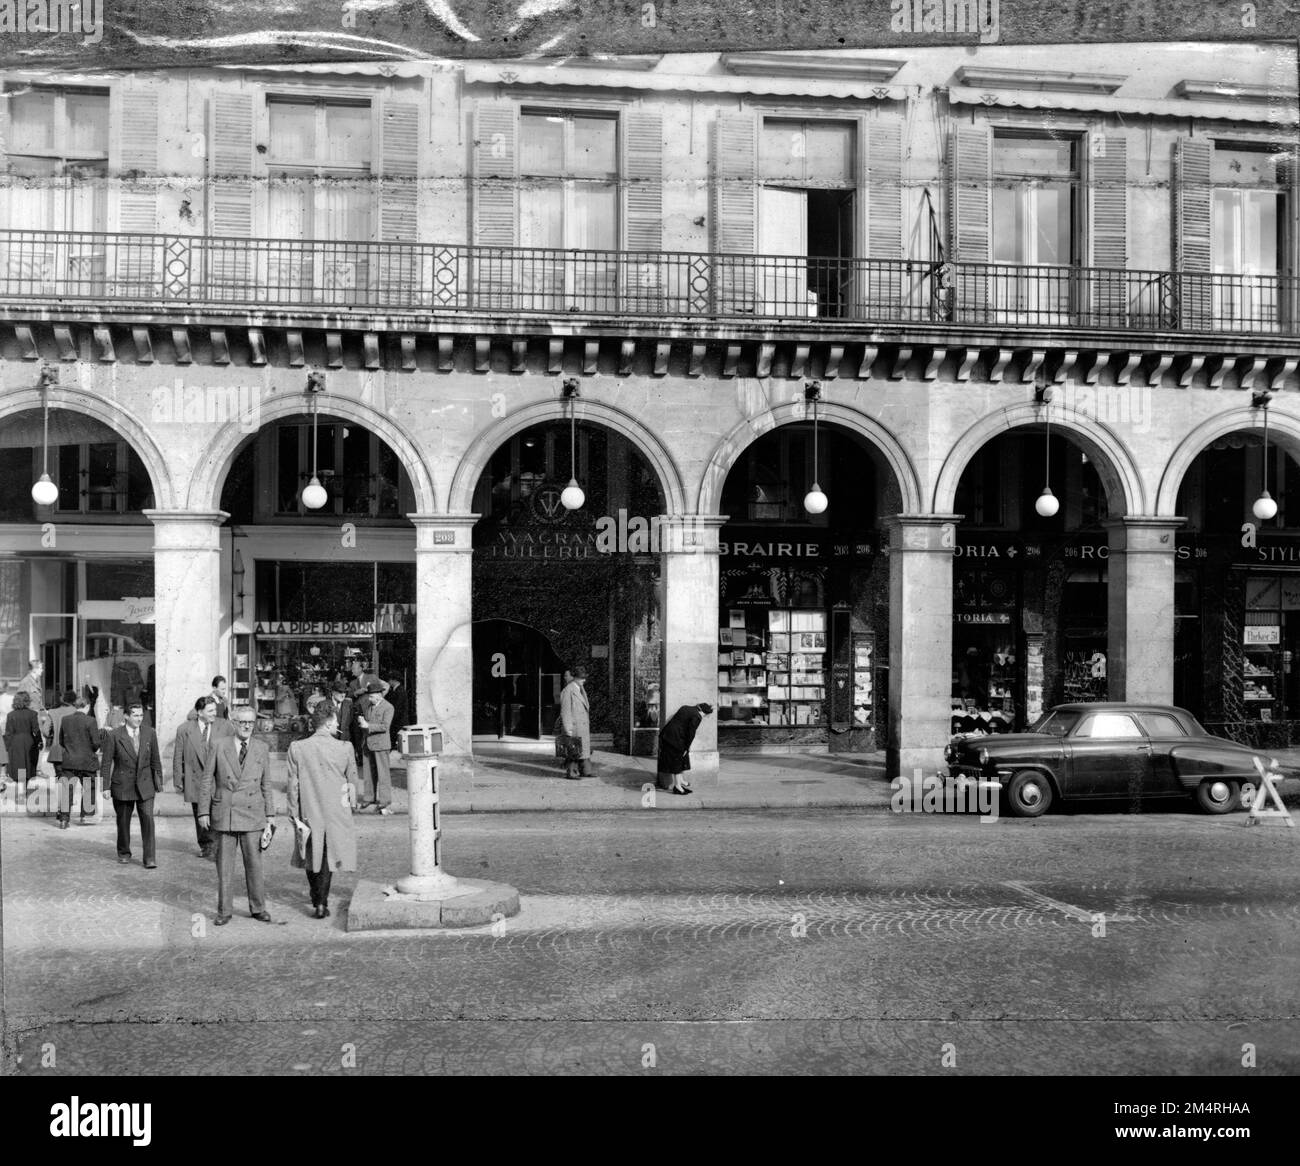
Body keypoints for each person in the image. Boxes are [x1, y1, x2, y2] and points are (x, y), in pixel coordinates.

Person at [198, 706, 274, 925]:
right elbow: (206, 780)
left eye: (251, 722)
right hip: (225, 814)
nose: (247, 726)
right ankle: (224, 911)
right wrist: (203, 810)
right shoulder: (219, 745)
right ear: (234, 723)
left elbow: (266, 784)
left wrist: (270, 815)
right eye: (243, 722)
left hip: (253, 815)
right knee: (224, 866)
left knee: (254, 865)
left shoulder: (261, 748)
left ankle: (258, 908)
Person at [286, 704, 359, 919]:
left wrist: (293, 812)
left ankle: (316, 897)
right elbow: (352, 782)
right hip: (336, 809)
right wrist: (351, 806)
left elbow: (292, 785)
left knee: (310, 851)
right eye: (335, 721)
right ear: (328, 723)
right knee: (329, 855)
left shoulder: (297, 748)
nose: (337, 724)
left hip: (309, 808)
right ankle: (321, 901)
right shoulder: (345, 747)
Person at [100, 701, 164, 868]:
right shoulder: (114, 735)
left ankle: (149, 858)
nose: (139, 718)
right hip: (122, 785)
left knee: (148, 820)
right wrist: (105, 786)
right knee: (123, 821)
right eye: (135, 715)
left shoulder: (149, 733)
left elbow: (155, 759)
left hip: (145, 784)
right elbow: (106, 762)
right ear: (126, 716)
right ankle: (124, 852)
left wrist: (159, 781)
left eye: (141, 715)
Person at [174, 697, 232, 858]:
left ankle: (218, 846)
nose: (215, 713)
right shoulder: (184, 729)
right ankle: (206, 845)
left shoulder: (226, 727)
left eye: (215, 710)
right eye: (210, 711)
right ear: (200, 712)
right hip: (196, 778)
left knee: (218, 811)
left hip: (218, 778)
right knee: (200, 813)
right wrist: (178, 779)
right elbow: (178, 755)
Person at [58, 693, 102, 826]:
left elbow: (61, 741)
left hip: (69, 760)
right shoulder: (91, 721)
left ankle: (64, 819)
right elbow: (96, 743)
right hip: (87, 761)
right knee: (90, 788)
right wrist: (93, 750)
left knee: (67, 790)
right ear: (87, 706)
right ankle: (86, 816)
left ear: (75, 706)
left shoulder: (65, 720)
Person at [656, 703, 715, 795]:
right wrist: (686, 748)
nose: (704, 717)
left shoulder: (685, 707)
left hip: (667, 735)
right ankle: (677, 787)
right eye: (705, 715)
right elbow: (691, 733)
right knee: (677, 760)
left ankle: (681, 781)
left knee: (680, 759)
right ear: (702, 712)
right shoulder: (697, 716)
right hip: (675, 739)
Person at [355, 680, 395, 814]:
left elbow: (385, 726)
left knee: (383, 775)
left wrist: (368, 726)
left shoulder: (388, 707)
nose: (369, 698)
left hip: (381, 745)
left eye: (371, 696)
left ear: (379, 695)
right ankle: (369, 798)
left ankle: (384, 802)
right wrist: (363, 723)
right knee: (368, 774)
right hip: (368, 744)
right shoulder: (369, 706)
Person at [46, 690, 78, 826]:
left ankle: (62, 811)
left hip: (56, 751)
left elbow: (46, 730)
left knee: (62, 781)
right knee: (69, 784)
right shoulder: (75, 711)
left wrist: (53, 735)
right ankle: (64, 815)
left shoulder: (52, 712)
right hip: (72, 752)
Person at [3, 690, 42, 793]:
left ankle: (20, 788)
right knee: (28, 765)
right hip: (29, 741)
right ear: (27, 701)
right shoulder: (32, 714)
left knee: (17, 765)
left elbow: (8, 732)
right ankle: (24, 787)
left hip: (15, 742)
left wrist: (6, 747)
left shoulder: (11, 715)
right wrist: (39, 742)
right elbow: (36, 730)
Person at [557, 665, 592, 780]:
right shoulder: (568, 690)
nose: (584, 680)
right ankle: (572, 773)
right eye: (581, 678)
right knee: (573, 752)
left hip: (582, 727)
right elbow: (565, 711)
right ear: (575, 678)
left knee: (583, 750)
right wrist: (568, 729)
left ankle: (586, 771)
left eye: (584, 678)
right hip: (575, 727)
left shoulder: (580, 689)